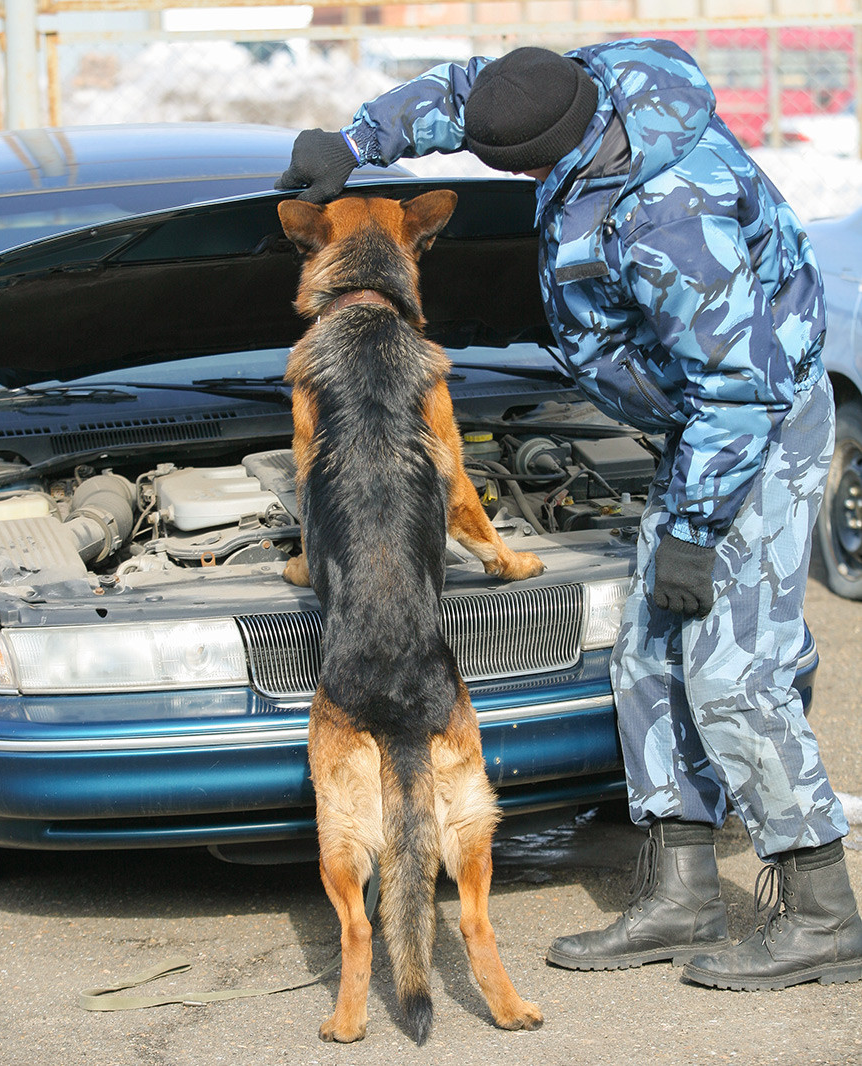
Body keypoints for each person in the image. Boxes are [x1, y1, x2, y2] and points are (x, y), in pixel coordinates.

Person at [275, 38, 862, 990]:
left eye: (535, 167)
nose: (530, 178)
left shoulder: (678, 211)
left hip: (754, 431)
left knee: (731, 671)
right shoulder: (572, 85)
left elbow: (742, 395)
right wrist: (354, 143)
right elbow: (467, 91)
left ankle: (824, 911)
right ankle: (682, 892)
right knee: (647, 653)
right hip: (695, 426)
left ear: (569, 141)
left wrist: (692, 533)